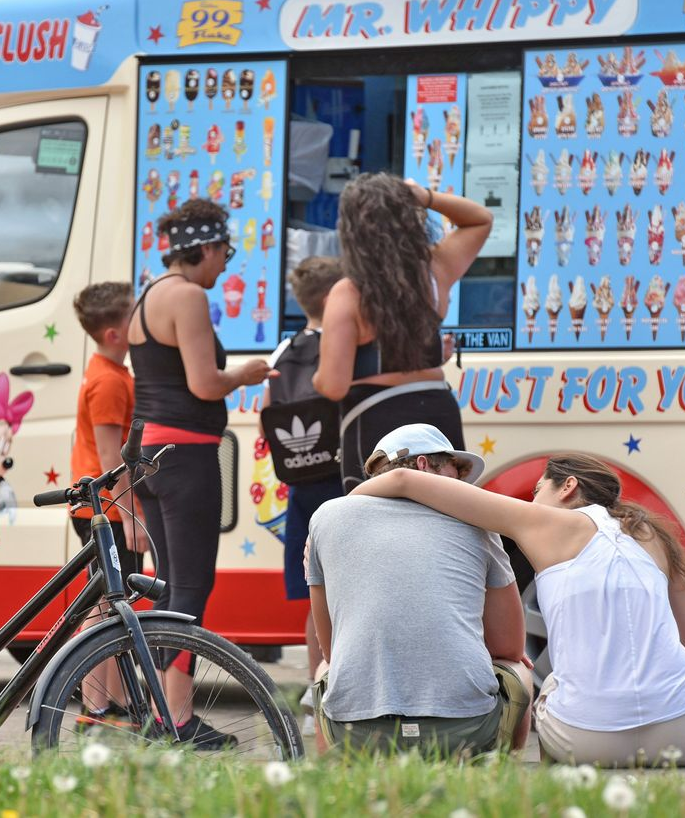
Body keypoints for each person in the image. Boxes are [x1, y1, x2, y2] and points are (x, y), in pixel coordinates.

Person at [353, 452, 685, 767]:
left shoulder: (540, 522)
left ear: (568, 487)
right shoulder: (653, 536)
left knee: (549, 683)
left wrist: (344, 509)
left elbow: (403, 481)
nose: (532, 501)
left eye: (537, 490)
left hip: (583, 742)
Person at [128, 197, 275, 746]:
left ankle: (159, 711)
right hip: (186, 455)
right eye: (225, 253)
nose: (226, 266)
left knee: (168, 586)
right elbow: (203, 384)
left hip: (148, 454)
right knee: (191, 587)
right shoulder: (188, 297)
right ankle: (178, 719)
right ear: (206, 248)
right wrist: (246, 373)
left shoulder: (149, 294)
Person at [306, 423, 532, 756]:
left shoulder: (325, 517)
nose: (461, 488)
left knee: (325, 670)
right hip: (466, 730)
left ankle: (340, 777)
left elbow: (330, 650)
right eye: (457, 473)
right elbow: (510, 647)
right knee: (519, 671)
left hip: (356, 733)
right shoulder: (477, 522)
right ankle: (497, 773)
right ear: (425, 465)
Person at [313, 173, 492, 492]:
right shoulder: (435, 271)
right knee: (447, 512)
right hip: (437, 412)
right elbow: (480, 219)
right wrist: (425, 196)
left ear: (353, 232)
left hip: (376, 416)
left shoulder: (349, 292)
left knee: (379, 522)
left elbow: (333, 385)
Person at [265, 256, 345, 739]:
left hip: (302, 483)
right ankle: (346, 690)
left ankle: (317, 694)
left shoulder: (283, 351)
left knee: (315, 591)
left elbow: (267, 415)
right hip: (341, 476)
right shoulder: (342, 346)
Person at [69, 281, 147, 727]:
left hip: (107, 508)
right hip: (107, 511)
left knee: (120, 602)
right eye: (134, 315)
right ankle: (94, 704)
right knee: (105, 605)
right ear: (115, 333)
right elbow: (109, 461)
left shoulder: (110, 372)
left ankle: (113, 703)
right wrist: (132, 515)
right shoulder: (108, 383)